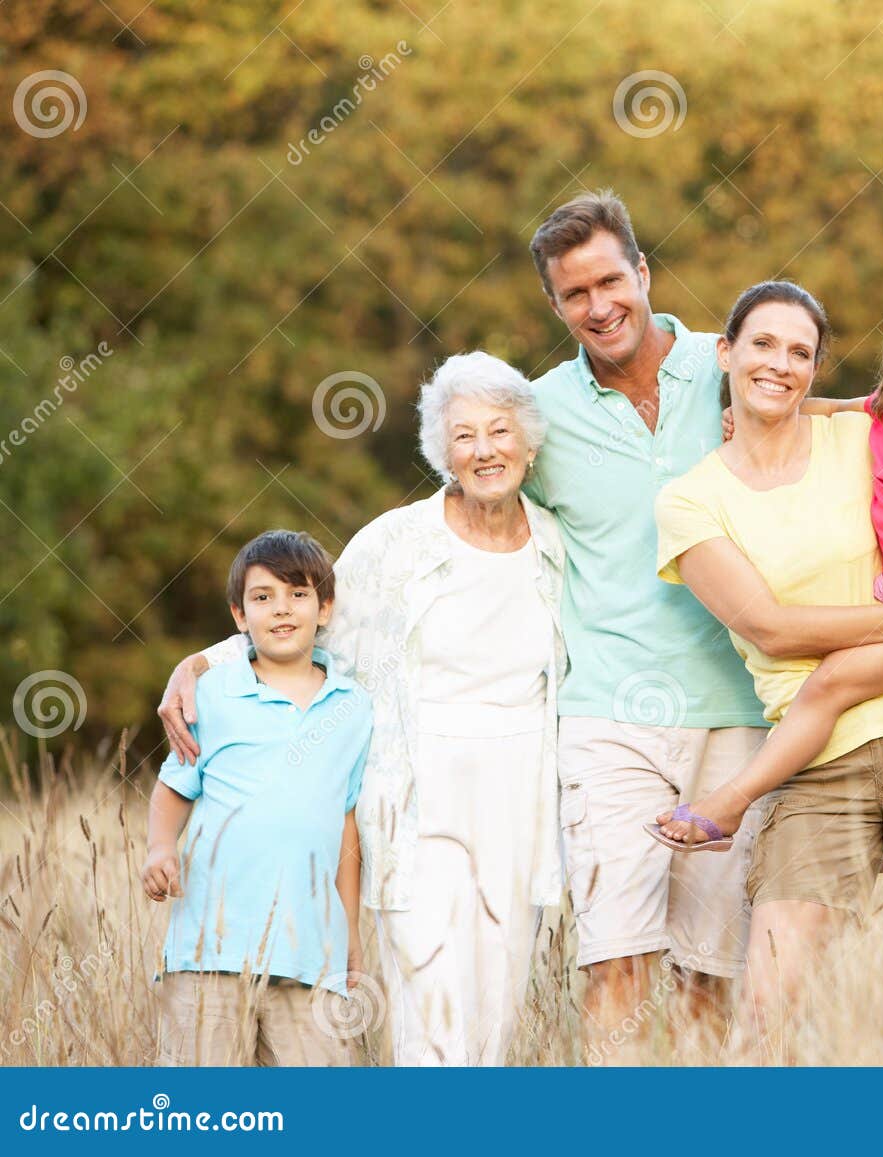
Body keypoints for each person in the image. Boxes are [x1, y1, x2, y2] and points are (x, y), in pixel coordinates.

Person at [157, 352, 566, 1065]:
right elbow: (307, 622)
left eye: (499, 431)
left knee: (498, 1002)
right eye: (464, 435)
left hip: (520, 791)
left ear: (528, 443)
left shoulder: (556, 545)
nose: (484, 450)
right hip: (420, 794)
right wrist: (196, 664)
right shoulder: (397, 541)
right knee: (431, 998)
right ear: (443, 451)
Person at [653, 281, 883, 1040]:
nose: (779, 365)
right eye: (762, 345)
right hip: (812, 760)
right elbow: (773, 630)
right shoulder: (691, 498)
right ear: (727, 352)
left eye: (800, 353)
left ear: (816, 367)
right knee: (771, 1003)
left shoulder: (865, 435)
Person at [521, 191, 779, 1050]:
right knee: (614, 959)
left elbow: (854, 443)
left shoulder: (732, 364)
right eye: (574, 295)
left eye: (608, 281)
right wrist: (230, 650)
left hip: (738, 716)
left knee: (711, 971)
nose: (598, 307)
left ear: (642, 270)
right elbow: (447, 529)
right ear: (554, 306)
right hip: (607, 717)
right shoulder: (536, 415)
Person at [143, 530, 371, 1066]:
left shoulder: (354, 706)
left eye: (298, 594)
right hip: (210, 949)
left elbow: (346, 825)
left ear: (326, 608)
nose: (282, 609)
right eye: (262, 597)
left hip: (311, 954)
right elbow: (174, 787)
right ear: (239, 616)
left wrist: (351, 932)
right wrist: (159, 849)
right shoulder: (214, 693)